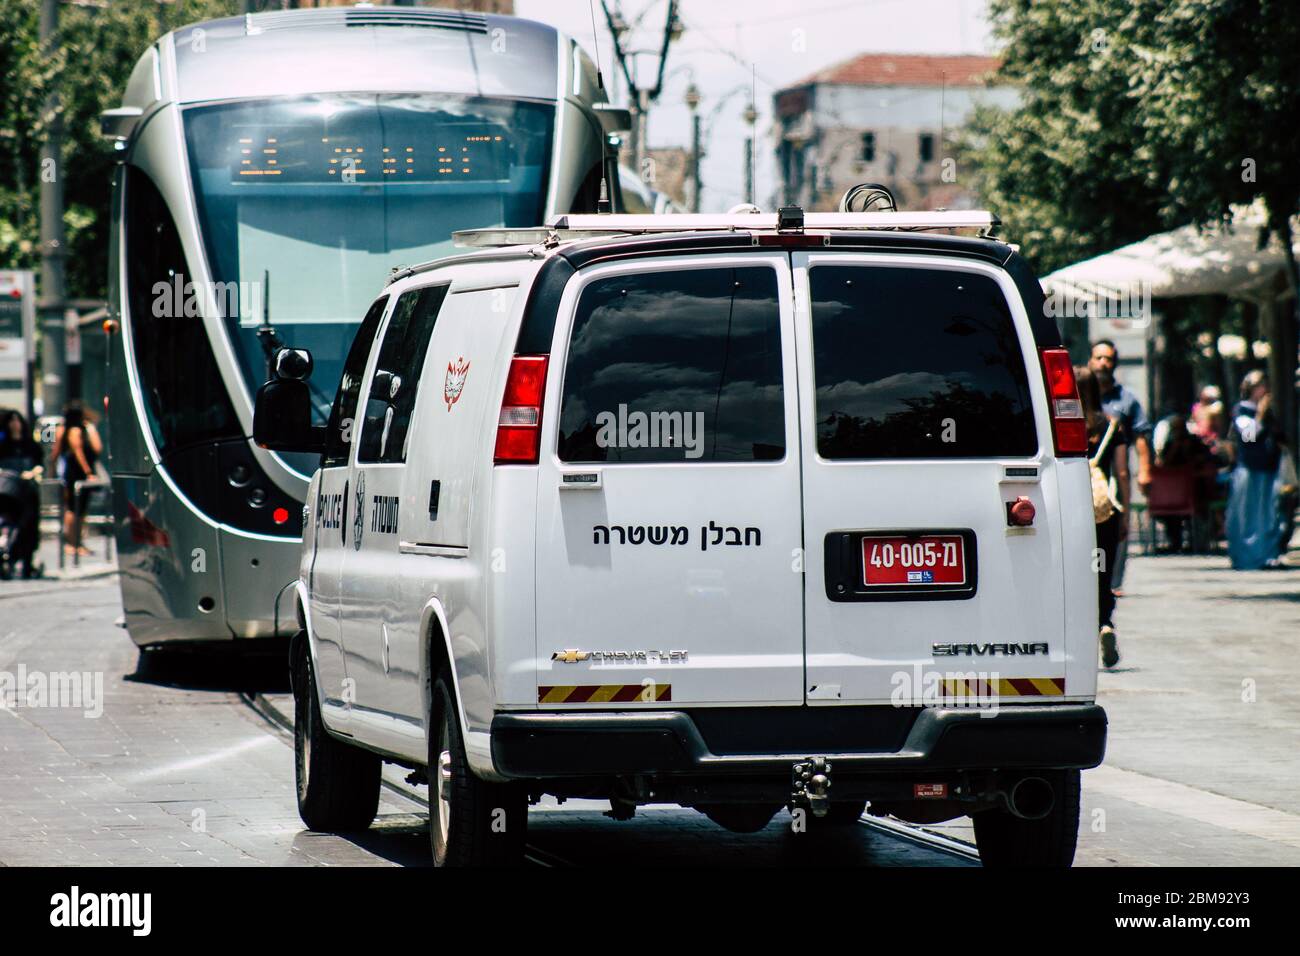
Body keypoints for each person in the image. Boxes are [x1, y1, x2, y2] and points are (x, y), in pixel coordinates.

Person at [1088, 340, 1152, 596]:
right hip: (1088, 474)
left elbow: (1141, 435)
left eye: (1109, 359)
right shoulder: (1080, 395)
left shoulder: (1126, 400)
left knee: (1117, 520)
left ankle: (1114, 582)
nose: (1104, 363)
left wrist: (1145, 469)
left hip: (1114, 473)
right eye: (1099, 357)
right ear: (1091, 360)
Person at [1077, 366, 1129, 669]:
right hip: (1104, 511)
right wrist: (1125, 512)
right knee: (1102, 571)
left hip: (1072, 511)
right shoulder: (1110, 425)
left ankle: (1080, 635)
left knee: (1076, 573)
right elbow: (1122, 471)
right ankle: (1104, 624)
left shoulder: (1060, 423)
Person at [1225, 371, 1285, 569]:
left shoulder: (1268, 412)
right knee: (1248, 515)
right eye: (1261, 385)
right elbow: (1249, 436)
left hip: (1268, 468)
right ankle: (1248, 558)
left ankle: (1268, 555)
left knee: (1269, 513)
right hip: (1250, 469)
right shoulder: (1242, 410)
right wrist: (1260, 414)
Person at [51, 401, 103, 557]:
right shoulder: (73, 431)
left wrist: (90, 424)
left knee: (80, 510)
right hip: (75, 473)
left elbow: (97, 447)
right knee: (74, 509)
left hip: (78, 473)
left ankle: (77, 541)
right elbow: (78, 453)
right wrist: (88, 472)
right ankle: (72, 542)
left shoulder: (80, 428)